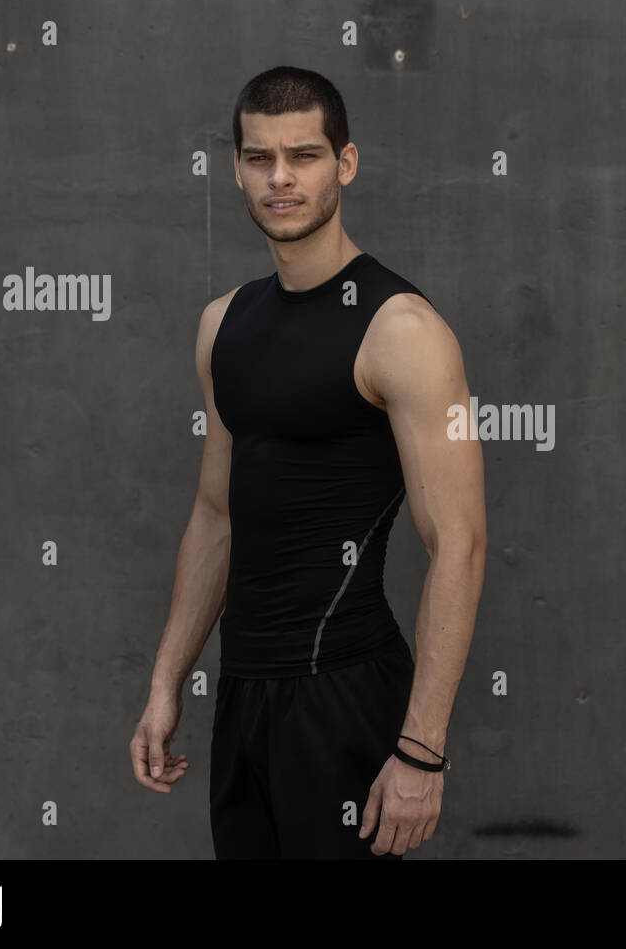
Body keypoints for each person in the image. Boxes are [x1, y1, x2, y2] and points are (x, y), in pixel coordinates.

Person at [128, 66, 486, 859]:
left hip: (346, 698)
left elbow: (458, 543)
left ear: (345, 163)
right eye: (260, 159)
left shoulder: (403, 332)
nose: (280, 178)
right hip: (244, 694)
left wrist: (421, 750)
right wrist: (165, 685)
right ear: (237, 168)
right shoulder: (225, 323)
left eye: (304, 155)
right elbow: (218, 514)